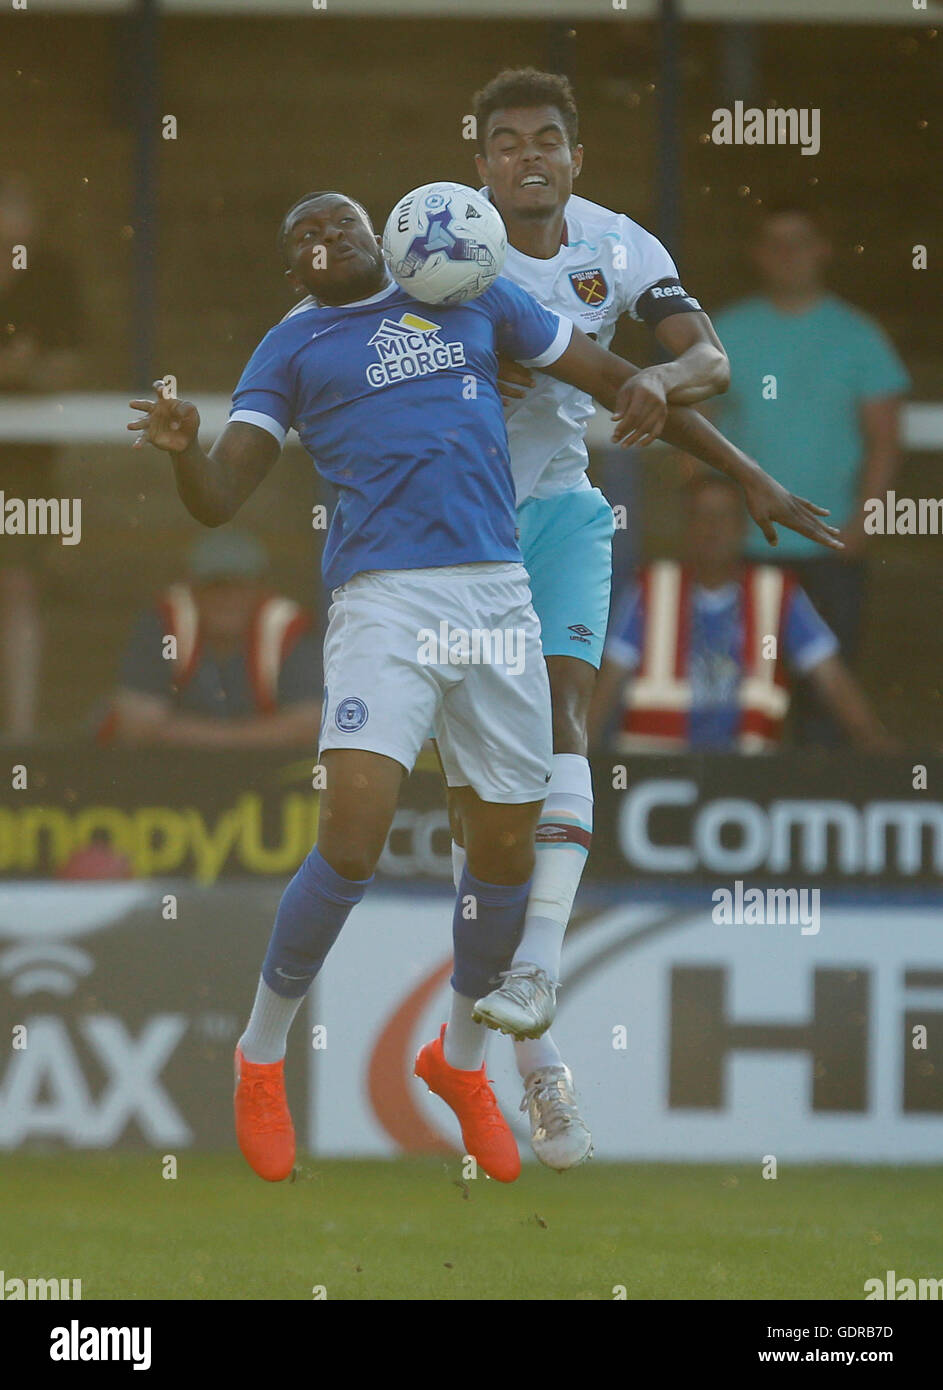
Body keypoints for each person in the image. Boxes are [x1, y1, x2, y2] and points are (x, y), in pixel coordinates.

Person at [128, 190, 837, 1185]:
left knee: (503, 851)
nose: (321, 238)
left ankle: (460, 1062)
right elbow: (219, 497)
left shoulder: (472, 295)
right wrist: (181, 455)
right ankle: (259, 1052)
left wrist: (746, 471)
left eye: (337, 223)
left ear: (381, 235)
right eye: (300, 237)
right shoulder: (287, 351)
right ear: (292, 272)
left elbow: (618, 379)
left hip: (497, 595)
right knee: (354, 832)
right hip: (383, 604)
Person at [453, 66, 727, 1168]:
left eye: (546, 140)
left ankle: (540, 976)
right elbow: (382, 366)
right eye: (506, 139)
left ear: (575, 158)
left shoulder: (617, 248)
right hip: (451, 540)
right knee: (487, 823)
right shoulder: (441, 238)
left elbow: (706, 355)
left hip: (562, 519)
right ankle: (530, 1061)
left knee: (569, 726)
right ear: (478, 162)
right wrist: (476, 372)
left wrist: (668, 385)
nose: (527, 156)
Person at [712, 203, 910, 745]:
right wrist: (714, 527)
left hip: (830, 549)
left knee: (827, 703)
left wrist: (863, 526)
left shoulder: (859, 336)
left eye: (799, 241)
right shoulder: (725, 331)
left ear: (823, 249)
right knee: (741, 698)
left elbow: (886, 439)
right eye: (774, 242)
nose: (787, 255)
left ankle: (815, 816)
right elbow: (695, 432)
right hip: (746, 549)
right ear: (756, 254)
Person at [590, 474, 893, 754]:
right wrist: (574, 762)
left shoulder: (775, 592)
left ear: (744, 527)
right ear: (687, 527)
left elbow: (831, 678)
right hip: (658, 773)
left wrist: (879, 748)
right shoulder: (653, 588)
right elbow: (607, 685)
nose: (712, 528)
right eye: (702, 516)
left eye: (723, 517)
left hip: (747, 781)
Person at [99, 529, 322, 749]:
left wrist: (209, 739)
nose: (227, 599)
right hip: (175, 769)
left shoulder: (287, 628)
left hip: (257, 768)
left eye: (239, 586)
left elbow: (309, 726)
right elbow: (136, 726)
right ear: (191, 589)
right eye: (214, 586)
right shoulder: (164, 622)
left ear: (260, 590)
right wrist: (251, 736)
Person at [0, 176, 83, 739]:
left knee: (17, 586)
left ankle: (18, 735)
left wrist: (24, 370)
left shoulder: (52, 279)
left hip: (24, 463)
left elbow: (65, 368)